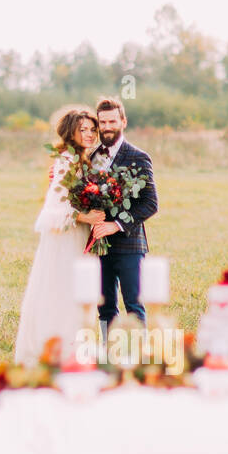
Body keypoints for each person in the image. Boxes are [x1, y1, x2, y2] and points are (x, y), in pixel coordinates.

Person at [13, 106, 105, 366]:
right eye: (82, 130)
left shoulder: (84, 159)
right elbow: (54, 208)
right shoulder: (66, 160)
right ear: (70, 133)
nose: (89, 134)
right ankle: (58, 348)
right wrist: (84, 217)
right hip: (66, 237)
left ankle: (76, 348)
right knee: (63, 289)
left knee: (79, 291)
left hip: (79, 236)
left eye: (92, 129)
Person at [89, 98, 158, 332]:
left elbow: (150, 203)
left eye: (112, 121)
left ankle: (138, 359)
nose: (107, 127)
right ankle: (110, 357)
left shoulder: (138, 157)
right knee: (105, 307)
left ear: (123, 121)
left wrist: (115, 225)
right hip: (99, 245)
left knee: (134, 306)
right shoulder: (92, 158)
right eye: (102, 122)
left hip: (129, 245)